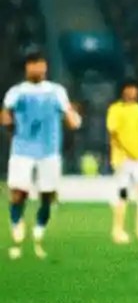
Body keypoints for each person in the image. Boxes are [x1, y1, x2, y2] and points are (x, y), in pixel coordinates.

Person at [2, 51, 82, 260]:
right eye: (32, 64)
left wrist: (73, 119)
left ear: (45, 67)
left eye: (40, 64)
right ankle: (17, 225)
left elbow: (68, 113)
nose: (36, 68)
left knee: (48, 195)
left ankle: (38, 232)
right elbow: (5, 112)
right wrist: (7, 121)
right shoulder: (16, 92)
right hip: (23, 149)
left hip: (49, 150)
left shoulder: (56, 91)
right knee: (19, 192)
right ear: (27, 68)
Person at [106, 80, 138, 244]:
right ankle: (118, 230)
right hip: (122, 157)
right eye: (129, 90)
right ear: (123, 91)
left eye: (134, 90)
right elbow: (113, 132)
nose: (132, 93)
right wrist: (123, 150)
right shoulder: (115, 109)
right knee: (123, 193)